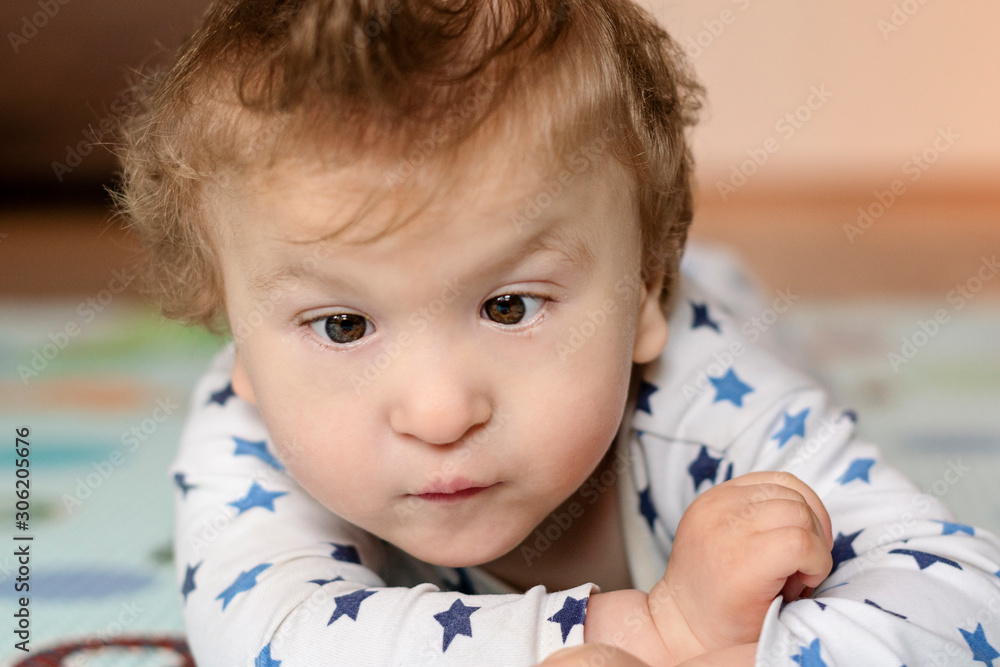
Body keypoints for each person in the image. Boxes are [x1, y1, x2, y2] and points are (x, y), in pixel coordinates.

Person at [117, 0, 1000, 665]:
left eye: (509, 305)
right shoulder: (250, 429)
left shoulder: (701, 393)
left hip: (702, 308)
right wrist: (646, 628)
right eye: (343, 323)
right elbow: (271, 640)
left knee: (729, 305)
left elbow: (965, 597)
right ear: (237, 342)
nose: (438, 411)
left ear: (645, 294)